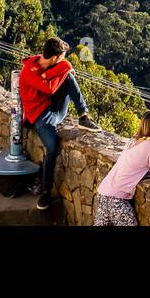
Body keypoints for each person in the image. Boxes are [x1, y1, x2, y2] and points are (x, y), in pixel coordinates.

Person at [19, 36, 98, 210]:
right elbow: (49, 88)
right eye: (61, 56)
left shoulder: (52, 63)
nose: (62, 60)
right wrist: (59, 73)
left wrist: (60, 71)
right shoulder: (29, 70)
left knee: (68, 76)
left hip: (53, 108)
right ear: (54, 57)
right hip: (39, 116)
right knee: (53, 148)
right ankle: (46, 192)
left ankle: (83, 115)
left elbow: (66, 67)